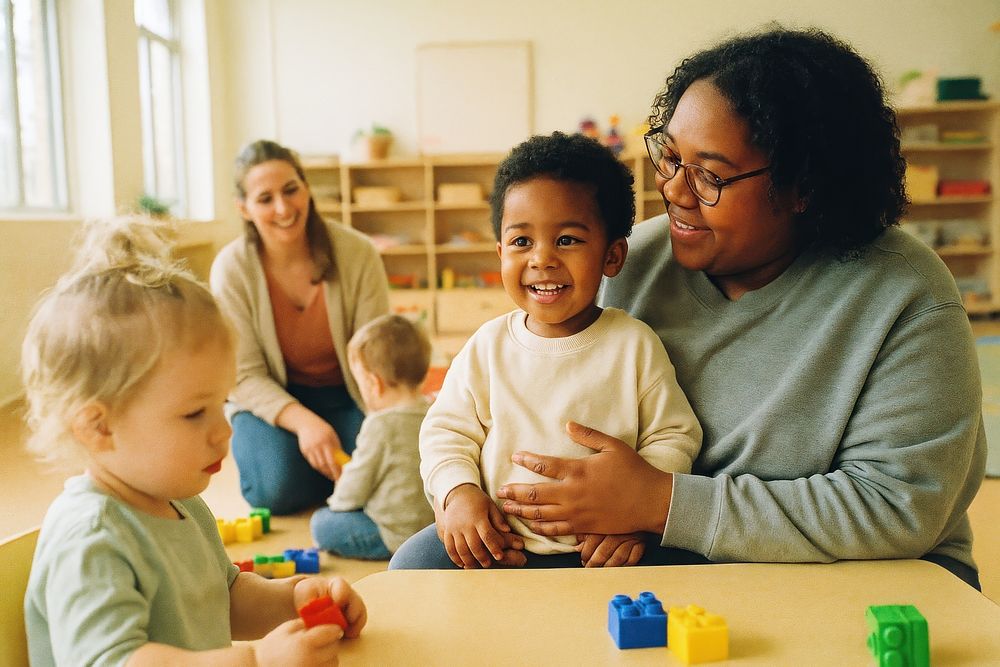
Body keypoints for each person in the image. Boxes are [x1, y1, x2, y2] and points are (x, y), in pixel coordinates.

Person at [493, 27, 987, 589]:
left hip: (871, 574)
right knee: (426, 564)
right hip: (651, 550)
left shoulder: (904, 296)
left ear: (805, 187)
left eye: (709, 175)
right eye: (671, 157)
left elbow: (897, 508)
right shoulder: (626, 263)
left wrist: (661, 502)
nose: (675, 191)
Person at [22, 216, 367, 665]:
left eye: (222, 404)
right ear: (98, 428)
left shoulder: (181, 502)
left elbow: (224, 599)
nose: (224, 431)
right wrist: (257, 661)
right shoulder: (91, 539)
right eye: (192, 413)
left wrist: (296, 599)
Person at [390, 132, 702, 570]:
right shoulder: (487, 347)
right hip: (499, 541)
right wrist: (457, 494)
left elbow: (673, 436)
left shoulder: (634, 344)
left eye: (568, 240)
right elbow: (445, 433)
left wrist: (636, 518)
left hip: (605, 547)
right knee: (410, 565)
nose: (542, 259)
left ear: (612, 256)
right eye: (521, 242)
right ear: (500, 253)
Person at [211, 139, 390, 515]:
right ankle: (317, 468)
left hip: (348, 395)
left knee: (391, 474)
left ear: (306, 189)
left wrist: (391, 420)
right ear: (244, 208)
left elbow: (377, 355)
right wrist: (306, 425)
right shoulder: (231, 269)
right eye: (265, 199)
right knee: (274, 492)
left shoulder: (358, 253)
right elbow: (243, 376)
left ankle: (326, 468)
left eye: (291, 190)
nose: (283, 208)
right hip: (271, 400)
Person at [310, 314, 436, 559]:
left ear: (373, 383)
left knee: (321, 522)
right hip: (433, 531)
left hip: (393, 535)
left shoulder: (380, 425)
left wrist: (338, 500)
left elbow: (356, 484)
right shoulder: (434, 411)